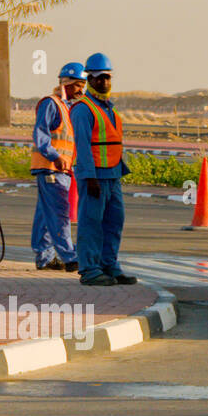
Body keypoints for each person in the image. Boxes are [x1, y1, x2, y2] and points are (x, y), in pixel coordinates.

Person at [69, 52, 137, 287]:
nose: (103, 82)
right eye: (98, 78)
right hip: (94, 177)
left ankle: (109, 265)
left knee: (114, 222)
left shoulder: (109, 108)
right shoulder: (83, 109)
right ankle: (90, 269)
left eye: (106, 77)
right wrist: (90, 177)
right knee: (91, 223)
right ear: (89, 79)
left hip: (113, 174)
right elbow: (83, 146)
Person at [29, 62, 86, 271]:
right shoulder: (51, 104)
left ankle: (44, 257)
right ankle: (70, 257)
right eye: (78, 85)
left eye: (83, 85)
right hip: (51, 168)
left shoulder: (69, 108)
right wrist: (55, 156)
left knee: (45, 214)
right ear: (66, 83)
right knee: (60, 213)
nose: (81, 90)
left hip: (62, 169)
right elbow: (40, 134)